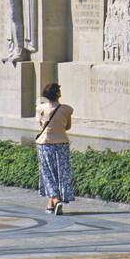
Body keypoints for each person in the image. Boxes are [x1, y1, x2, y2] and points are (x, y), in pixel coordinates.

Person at [35, 82, 75, 213]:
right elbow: (67, 127)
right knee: (61, 173)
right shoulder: (67, 109)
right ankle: (52, 204)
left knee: (48, 173)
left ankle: (55, 199)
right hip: (62, 143)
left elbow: (43, 126)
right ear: (58, 94)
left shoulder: (42, 108)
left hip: (45, 143)